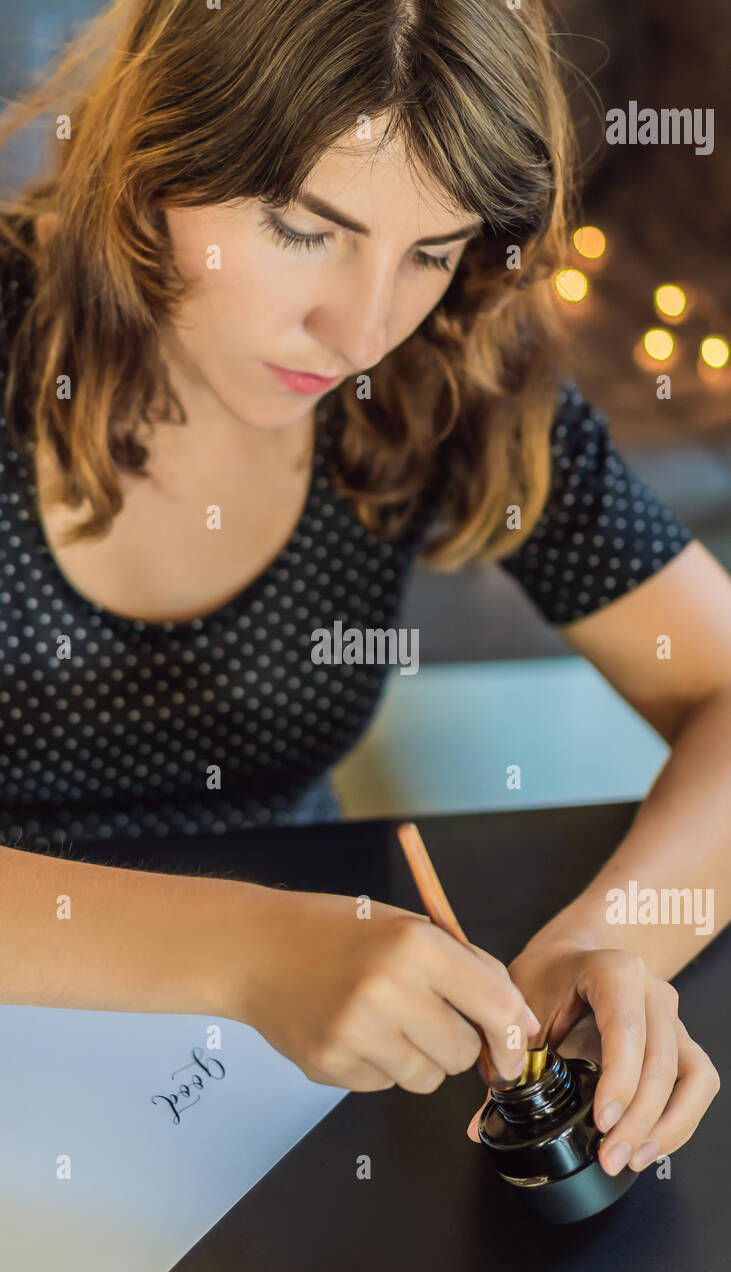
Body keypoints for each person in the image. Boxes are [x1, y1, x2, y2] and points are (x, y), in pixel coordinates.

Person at [0, 0, 727, 1187]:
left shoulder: (448, 375)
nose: (361, 329)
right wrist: (242, 950)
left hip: (290, 1091)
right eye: (300, 227)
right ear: (154, 158)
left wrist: (609, 940)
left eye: (429, 252)